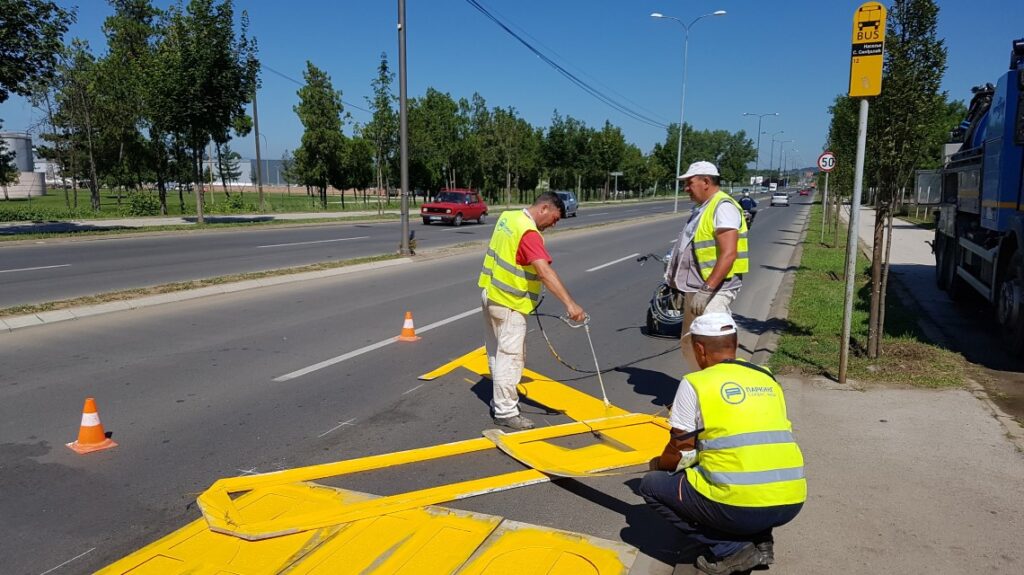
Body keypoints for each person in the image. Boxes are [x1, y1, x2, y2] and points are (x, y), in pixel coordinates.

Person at [639, 313, 805, 575]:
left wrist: (658, 464)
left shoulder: (696, 382)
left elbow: (681, 451)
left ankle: (730, 549)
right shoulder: (765, 376)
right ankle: (762, 543)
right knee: (747, 468)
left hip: (740, 506)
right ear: (735, 344)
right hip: (791, 500)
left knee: (651, 486)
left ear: (699, 349)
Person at [478, 192, 586, 430]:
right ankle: (506, 411)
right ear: (544, 208)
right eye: (555, 218)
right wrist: (571, 304)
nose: (554, 224)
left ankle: (500, 399)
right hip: (509, 303)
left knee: (497, 353)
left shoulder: (508, 217)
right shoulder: (529, 233)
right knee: (511, 358)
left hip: (490, 293)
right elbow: (544, 272)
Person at [664, 161, 748, 372]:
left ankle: (717, 395)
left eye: (689, 183)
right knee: (690, 343)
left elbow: (729, 254)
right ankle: (698, 390)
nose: (686, 189)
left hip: (714, 290)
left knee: (712, 348)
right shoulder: (703, 209)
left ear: (706, 181)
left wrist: (707, 289)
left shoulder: (723, 207)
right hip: (697, 289)